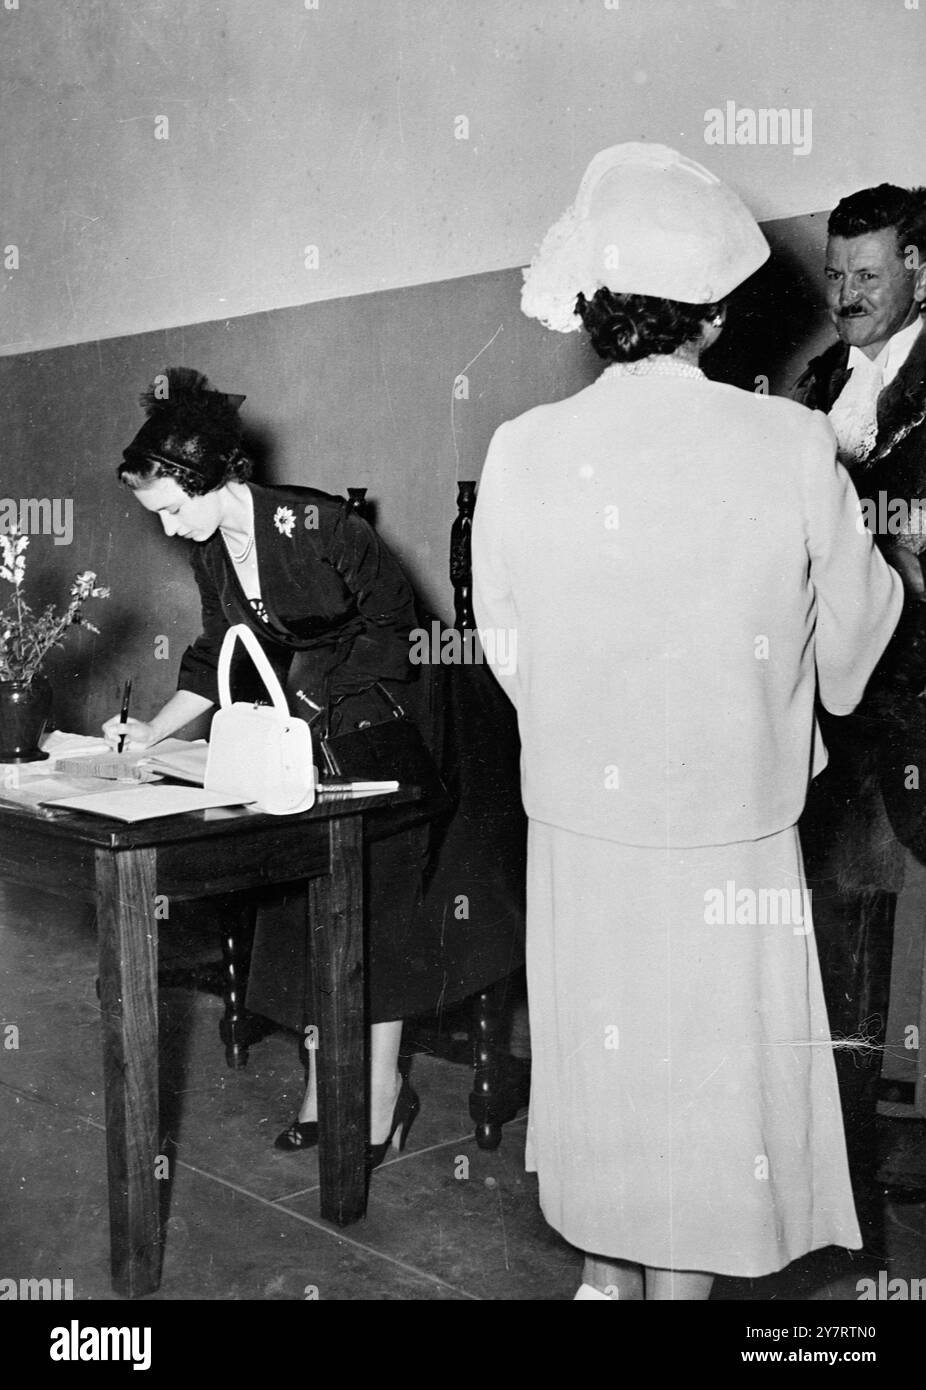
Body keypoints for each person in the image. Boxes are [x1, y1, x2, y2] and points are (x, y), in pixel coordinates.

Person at [471, 143, 904, 1299]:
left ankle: (604, 1283)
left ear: (597, 312)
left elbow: (509, 651)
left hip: (581, 833)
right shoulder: (786, 442)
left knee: (609, 1087)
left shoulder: (520, 451)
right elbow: (855, 644)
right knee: (709, 1115)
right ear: (711, 319)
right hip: (728, 830)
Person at [103, 367, 428, 1168]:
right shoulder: (213, 548)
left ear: (213, 479)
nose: (172, 531)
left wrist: (310, 709)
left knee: (373, 903)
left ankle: (381, 1094)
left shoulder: (318, 524)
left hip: (394, 710)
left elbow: (395, 631)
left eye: (175, 511)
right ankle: (329, 1079)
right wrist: (148, 735)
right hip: (309, 717)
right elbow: (218, 652)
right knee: (307, 893)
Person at [793, 183, 926, 1243]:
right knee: (846, 937)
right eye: (834, 274)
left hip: (917, 696)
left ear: (917, 270)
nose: (842, 293)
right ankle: (853, 1193)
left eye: (865, 276)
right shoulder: (815, 384)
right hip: (844, 709)